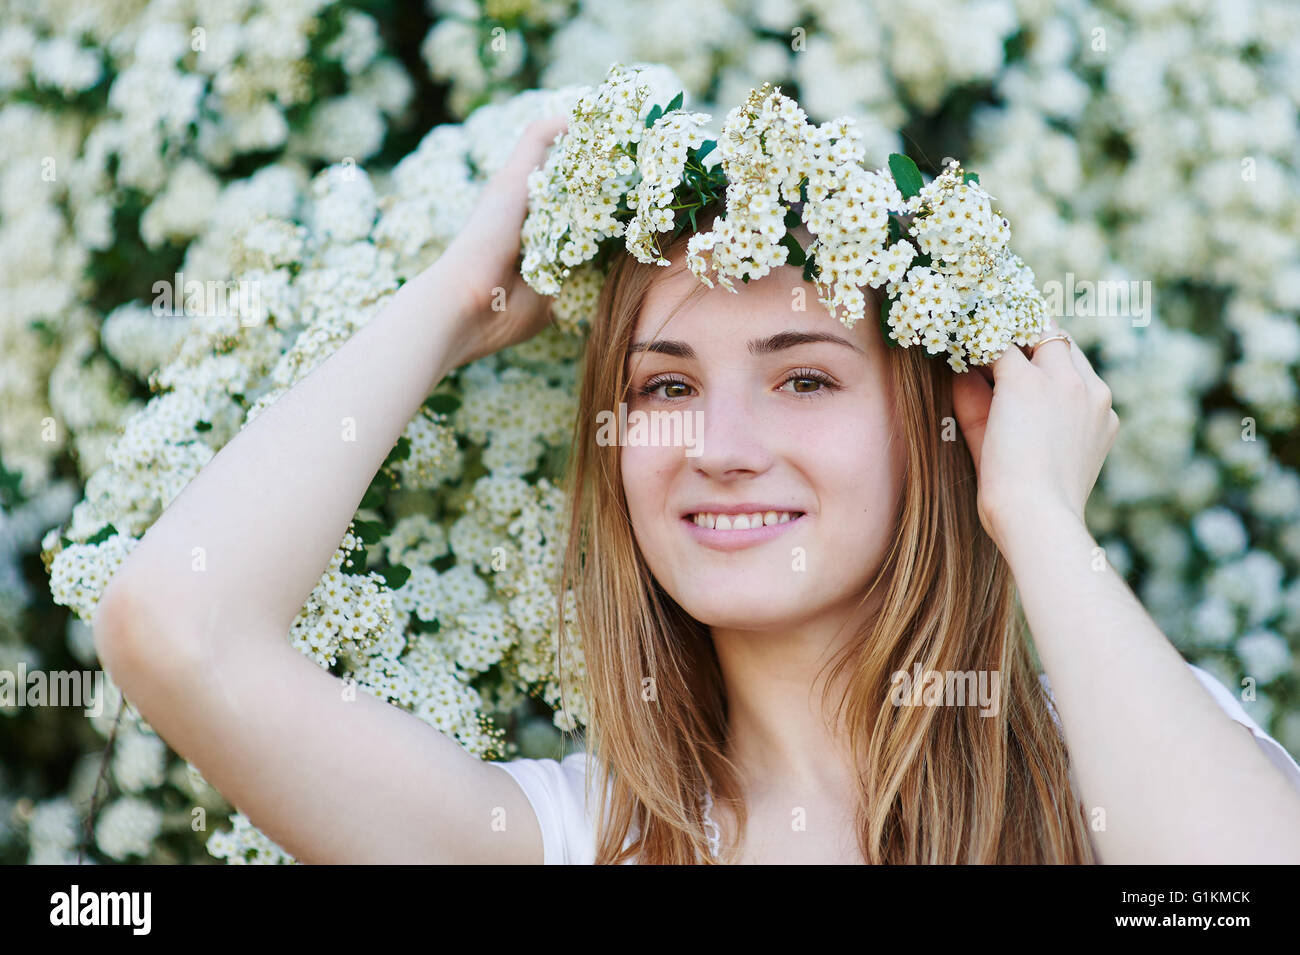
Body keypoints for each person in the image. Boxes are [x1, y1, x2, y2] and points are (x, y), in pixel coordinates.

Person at [93, 116, 1300, 865]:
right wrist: (455, 302)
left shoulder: (1108, 760)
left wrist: (1034, 511)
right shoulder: (564, 843)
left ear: (938, 426)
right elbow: (178, 629)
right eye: (664, 386)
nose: (719, 445)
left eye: (805, 379)